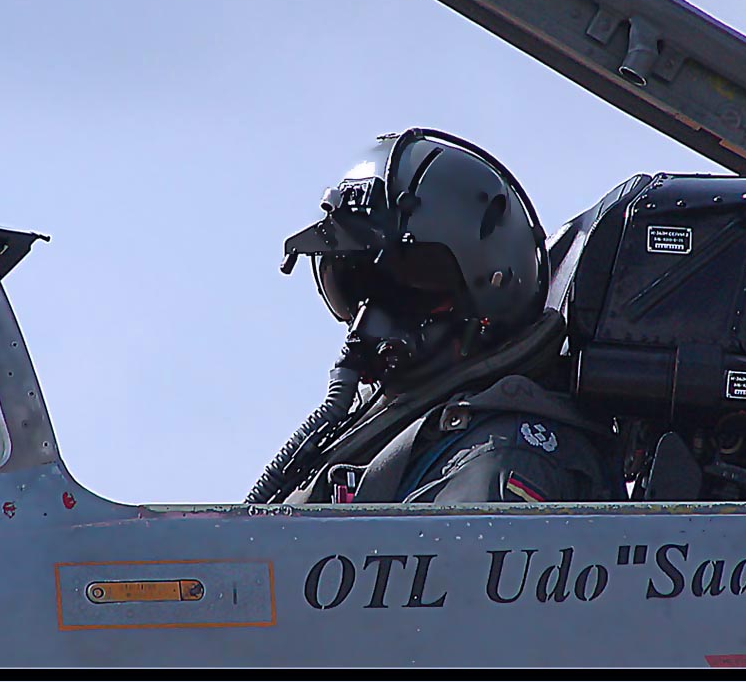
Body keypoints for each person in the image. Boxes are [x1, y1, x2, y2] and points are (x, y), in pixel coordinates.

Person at [246, 128, 622, 506]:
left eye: (411, 287)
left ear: (493, 291)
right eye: (353, 289)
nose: (367, 322)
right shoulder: (393, 433)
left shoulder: (500, 458)